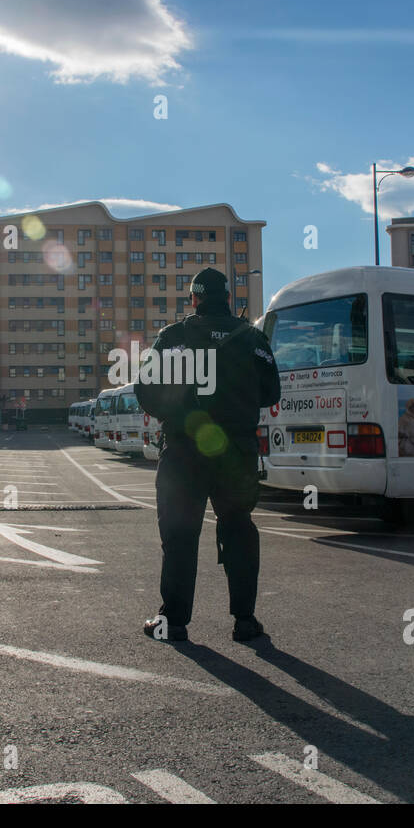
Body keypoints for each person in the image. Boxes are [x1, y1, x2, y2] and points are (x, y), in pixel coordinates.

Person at [137, 267, 280, 644]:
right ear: (228, 299)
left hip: (185, 450)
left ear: (194, 299)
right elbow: (272, 392)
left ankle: (175, 621)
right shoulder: (252, 338)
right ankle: (245, 621)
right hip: (236, 450)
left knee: (180, 533)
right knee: (238, 528)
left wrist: (174, 409)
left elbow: (146, 390)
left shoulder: (174, 337)